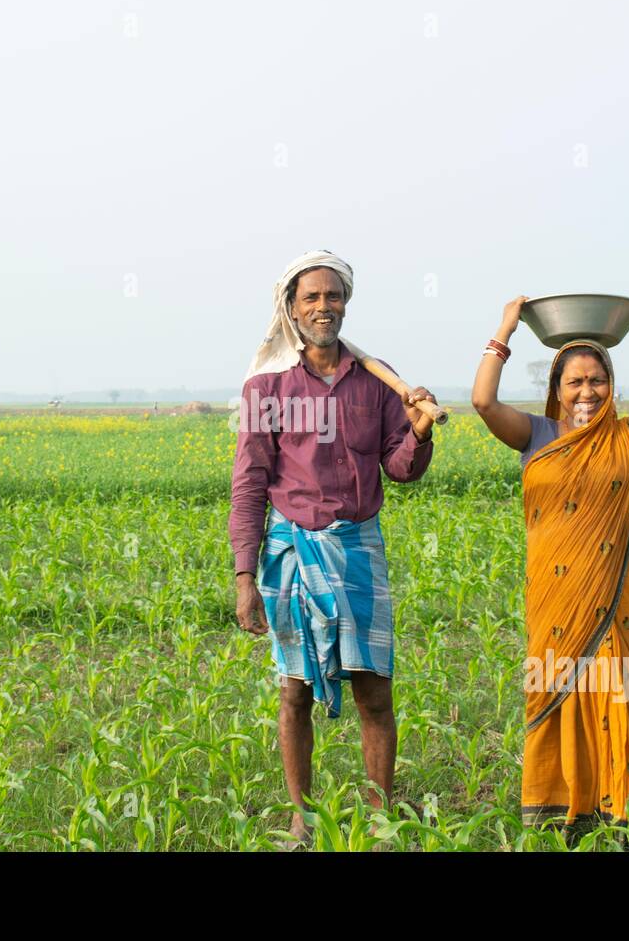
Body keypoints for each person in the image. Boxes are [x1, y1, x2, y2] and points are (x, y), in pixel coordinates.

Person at [470, 295, 629, 846]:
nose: (586, 392)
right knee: (556, 695)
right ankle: (566, 817)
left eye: (597, 380)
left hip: (625, 602)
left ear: (611, 384)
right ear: (557, 389)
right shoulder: (535, 437)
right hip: (556, 603)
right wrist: (507, 327)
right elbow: (482, 401)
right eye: (574, 382)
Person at [230, 250, 437, 848]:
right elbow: (249, 482)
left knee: (374, 686)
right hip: (291, 550)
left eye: (334, 296)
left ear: (347, 303)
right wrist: (246, 576)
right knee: (293, 689)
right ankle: (302, 814)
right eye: (312, 297)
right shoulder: (266, 386)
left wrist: (418, 431)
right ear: (292, 308)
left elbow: (400, 467)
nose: (324, 306)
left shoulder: (377, 380)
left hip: (357, 545)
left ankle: (381, 812)